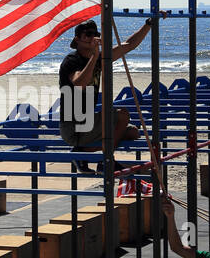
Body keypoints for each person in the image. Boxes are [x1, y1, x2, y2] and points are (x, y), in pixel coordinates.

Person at [58, 18, 150, 172]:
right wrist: (94, 57)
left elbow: (129, 45)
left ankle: (81, 153)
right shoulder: (72, 60)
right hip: (73, 126)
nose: (92, 37)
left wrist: (148, 24)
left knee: (133, 132)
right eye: (87, 34)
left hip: (88, 124)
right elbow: (79, 83)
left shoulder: (99, 58)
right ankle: (106, 160)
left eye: (95, 34)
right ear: (77, 39)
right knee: (122, 115)